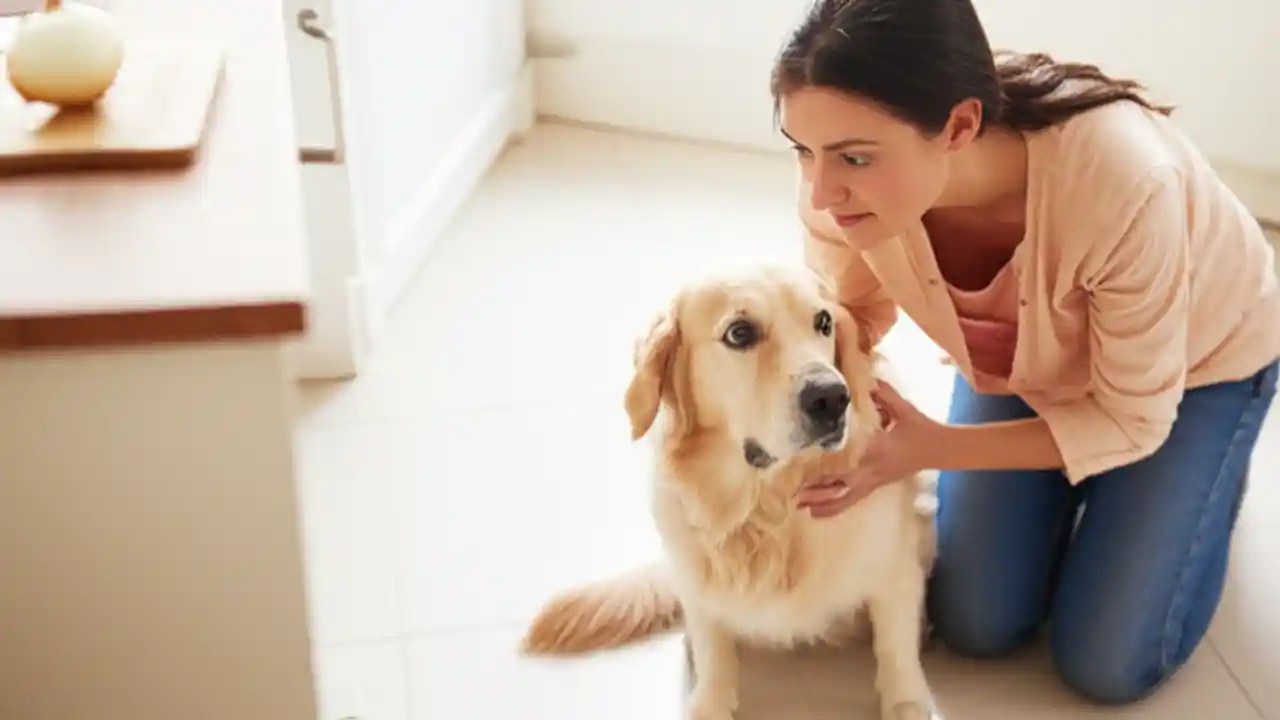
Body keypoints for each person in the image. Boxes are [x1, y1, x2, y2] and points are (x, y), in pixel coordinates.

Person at [777, 0, 1280, 706]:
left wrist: (932, 448)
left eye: (854, 157)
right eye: (802, 148)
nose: (822, 191)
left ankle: (1197, 480)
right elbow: (850, 319)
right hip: (1026, 364)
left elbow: (1135, 420)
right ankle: (1093, 480)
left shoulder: (1125, 184)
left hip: (1195, 371)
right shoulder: (838, 194)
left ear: (957, 128)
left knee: (1106, 664)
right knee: (974, 623)